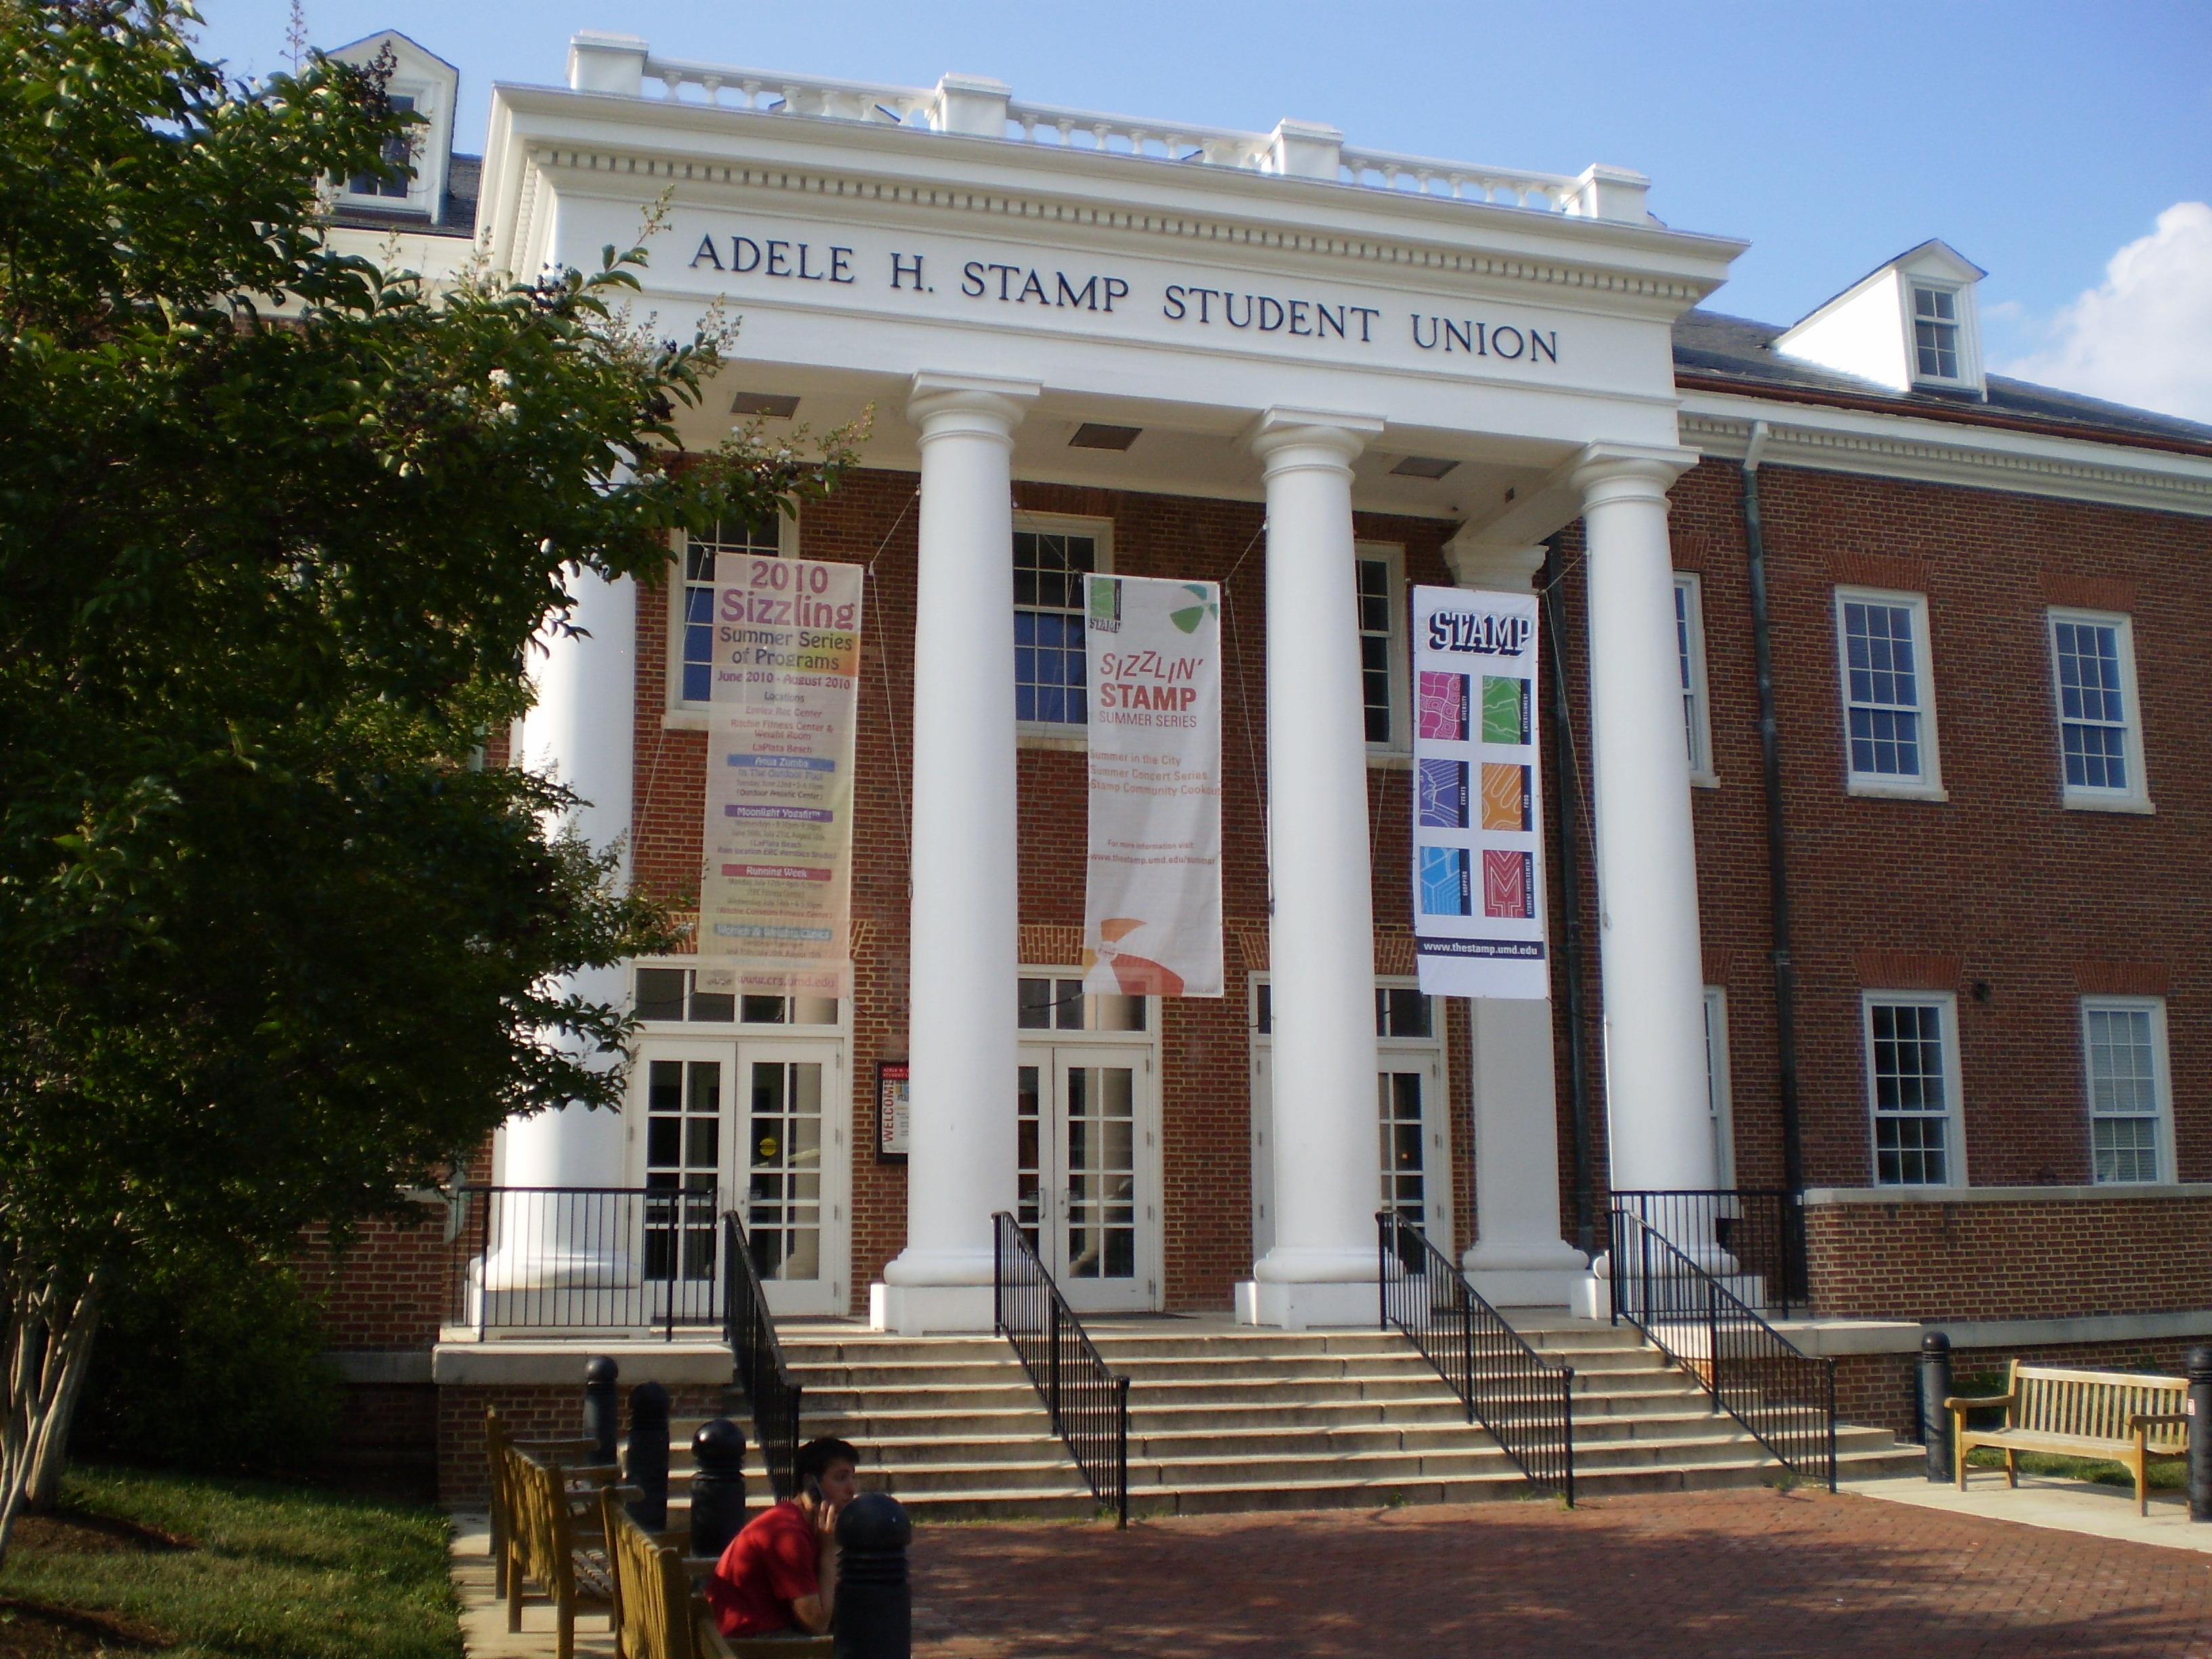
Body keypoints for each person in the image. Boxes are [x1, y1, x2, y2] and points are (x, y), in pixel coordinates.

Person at [703, 1436, 859, 1641]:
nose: (852, 1490)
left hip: (759, 1635)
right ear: (811, 1485)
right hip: (746, 1642)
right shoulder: (788, 1534)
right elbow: (817, 1624)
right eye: (841, 1478)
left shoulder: (803, 1524)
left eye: (852, 1478)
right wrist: (828, 1554)